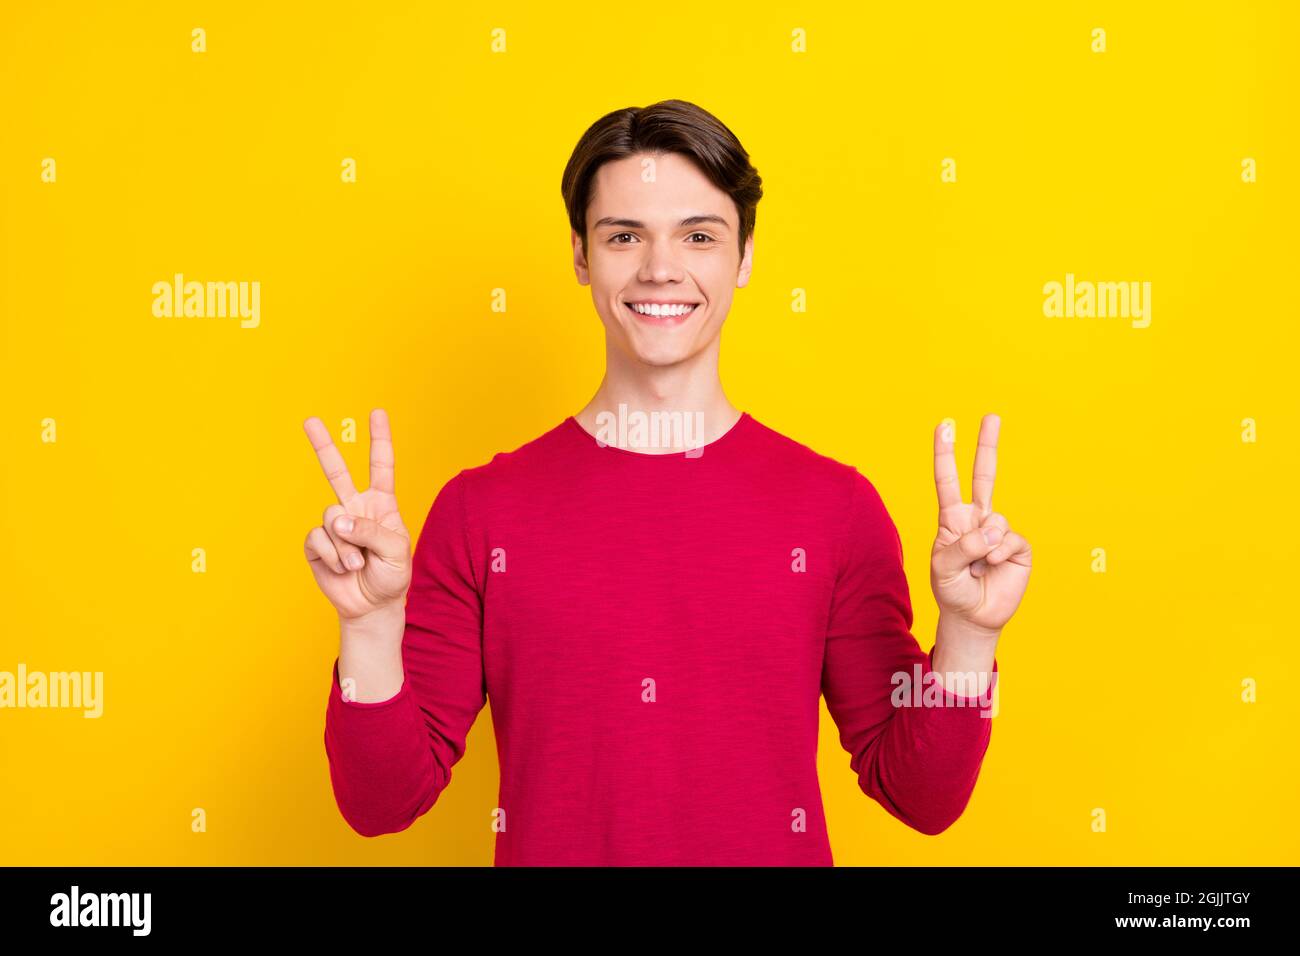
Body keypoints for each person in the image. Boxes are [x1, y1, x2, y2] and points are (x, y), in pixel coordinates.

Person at [302, 99, 1032, 866]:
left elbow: (922, 797)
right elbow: (381, 806)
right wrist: (370, 627)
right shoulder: (481, 512)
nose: (660, 268)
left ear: (745, 257)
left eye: (699, 236)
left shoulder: (836, 510)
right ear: (582, 255)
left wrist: (970, 637)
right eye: (625, 236)